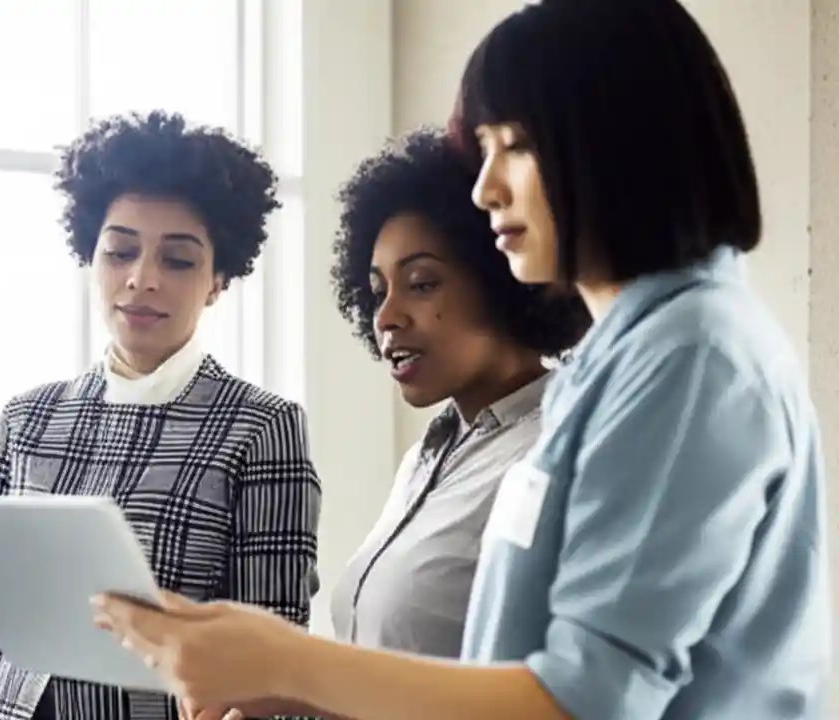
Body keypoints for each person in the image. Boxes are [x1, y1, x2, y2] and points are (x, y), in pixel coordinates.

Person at [93, 2, 830, 719]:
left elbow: (588, 699)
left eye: (515, 145)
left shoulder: (691, 359)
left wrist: (287, 660)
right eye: (484, 151)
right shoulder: (613, 367)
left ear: (614, 141)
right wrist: (284, 682)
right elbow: (502, 672)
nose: (486, 188)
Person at [0, 111, 322, 720]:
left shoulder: (259, 426)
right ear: (91, 256)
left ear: (219, 279)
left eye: (178, 261)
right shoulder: (26, 419)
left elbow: (269, 663)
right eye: (120, 252)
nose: (141, 280)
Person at [328, 128, 586, 659]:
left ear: (502, 280)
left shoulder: (557, 450)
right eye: (378, 291)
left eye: (421, 283)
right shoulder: (430, 452)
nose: (386, 316)